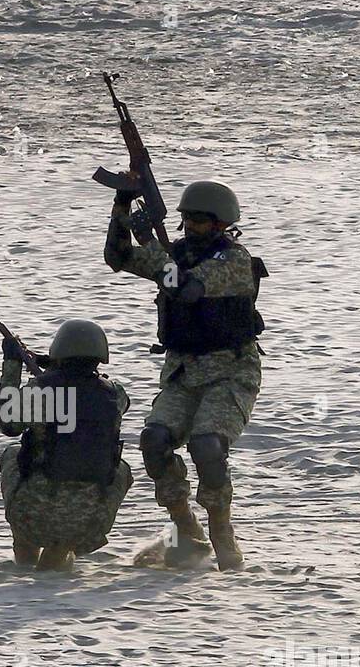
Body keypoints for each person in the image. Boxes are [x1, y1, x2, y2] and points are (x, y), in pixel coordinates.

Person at [104, 178, 266, 570]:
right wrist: (122, 207)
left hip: (230, 372)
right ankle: (184, 524)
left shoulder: (235, 261)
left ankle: (220, 528)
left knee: (207, 445)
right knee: (154, 439)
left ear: (221, 224)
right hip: (183, 370)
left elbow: (187, 288)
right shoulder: (173, 256)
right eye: (187, 218)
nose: (191, 225)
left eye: (200, 220)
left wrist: (153, 245)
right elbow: (117, 256)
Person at [0, 319, 134, 571]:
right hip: (92, 523)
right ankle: (56, 557)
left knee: (12, 455)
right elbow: (84, 397)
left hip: (33, 515)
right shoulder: (115, 394)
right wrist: (51, 368)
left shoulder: (40, 391)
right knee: (122, 468)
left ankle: (25, 560)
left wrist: (12, 365)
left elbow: (8, 424)